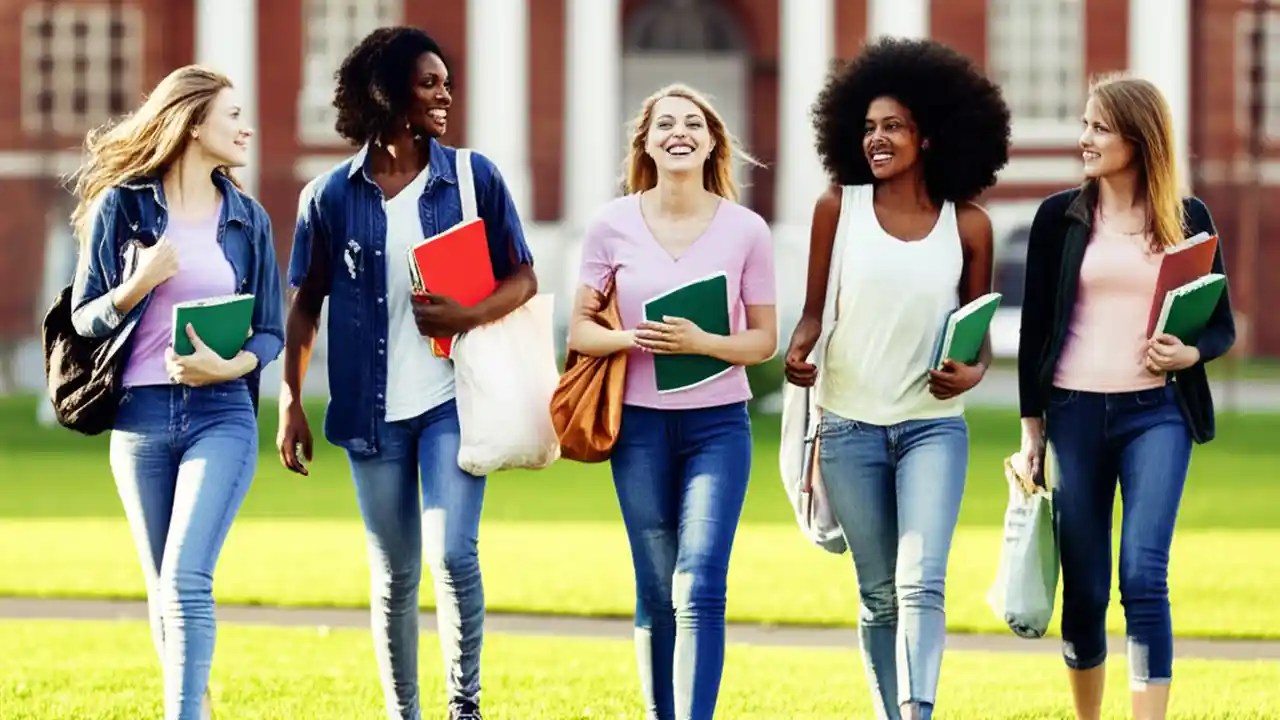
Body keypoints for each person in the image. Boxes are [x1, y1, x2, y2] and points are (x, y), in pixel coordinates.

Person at [277, 27, 536, 720]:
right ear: (388, 93)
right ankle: (403, 711)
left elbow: (526, 275)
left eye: (447, 82)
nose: (445, 95)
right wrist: (290, 399)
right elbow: (305, 306)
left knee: (453, 554)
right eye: (430, 83)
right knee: (394, 575)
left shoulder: (473, 178)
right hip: (370, 411)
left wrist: (469, 313)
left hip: (455, 400)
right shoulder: (329, 196)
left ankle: (465, 704)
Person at [782, 38, 1012, 720]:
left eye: (893, 126)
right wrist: (798, 355)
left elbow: (980, 338)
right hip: (847, 423)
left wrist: (968, 373)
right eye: (869, 127)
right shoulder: (838, 208)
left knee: (921, 582)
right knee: (879, 591)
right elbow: (811, 315)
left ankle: (918, 711)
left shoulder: (969, 226)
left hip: (931, 429)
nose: (877, 138)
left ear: (929, 135)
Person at [67, 65, 284, 720]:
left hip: (222, 416)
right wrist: (140, 281)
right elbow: (83, 319)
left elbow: (270, 330)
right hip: (139, 418)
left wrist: (231, 366)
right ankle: (198, 704)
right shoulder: (123, 207)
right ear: (193, 124)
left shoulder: (248, 219)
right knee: (163, 589)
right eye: (232, 116)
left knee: (187, 577)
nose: (247, 127)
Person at [1016, 75, 1235, 720]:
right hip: (1074, 413)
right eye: (1084, 124)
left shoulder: (1188, 218)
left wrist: (1190, 353)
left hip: (1157, 414)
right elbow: (1034, 333)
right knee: (1084, 588)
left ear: (1138, 139)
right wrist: (1033, 433)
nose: (1084, 139)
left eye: (1099, 128)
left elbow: (1219, 322)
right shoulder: (1058, 217)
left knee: (1142, 574)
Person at [566, 83, 777, 720]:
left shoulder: (746, 229)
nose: (678, 132)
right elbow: (579, 330)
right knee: (658, 589)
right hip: (636, 429)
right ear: (648, 143)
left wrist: (704, 341)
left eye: (692, 123)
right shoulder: (611, 224)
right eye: (665, 124)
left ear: (712, 142)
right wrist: (635, 337)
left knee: (700, 583)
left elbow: (763, 340)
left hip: (718, 428)